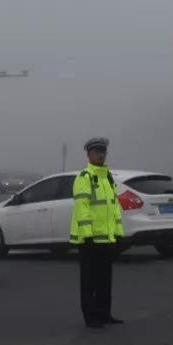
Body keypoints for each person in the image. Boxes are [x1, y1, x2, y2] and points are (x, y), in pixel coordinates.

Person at [70, 137, 125, 329]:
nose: (101, 154)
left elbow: (114, 210)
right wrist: (88, 236)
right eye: (97, 151)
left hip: (107, 239)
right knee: (89, 281)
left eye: (103, 152)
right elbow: (82, 209)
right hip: (90, 240)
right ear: (89, 154)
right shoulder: (84, 178)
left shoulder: (107, 178)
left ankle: (104, 314)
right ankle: (90, 317)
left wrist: (118, 235)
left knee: (104, 280)